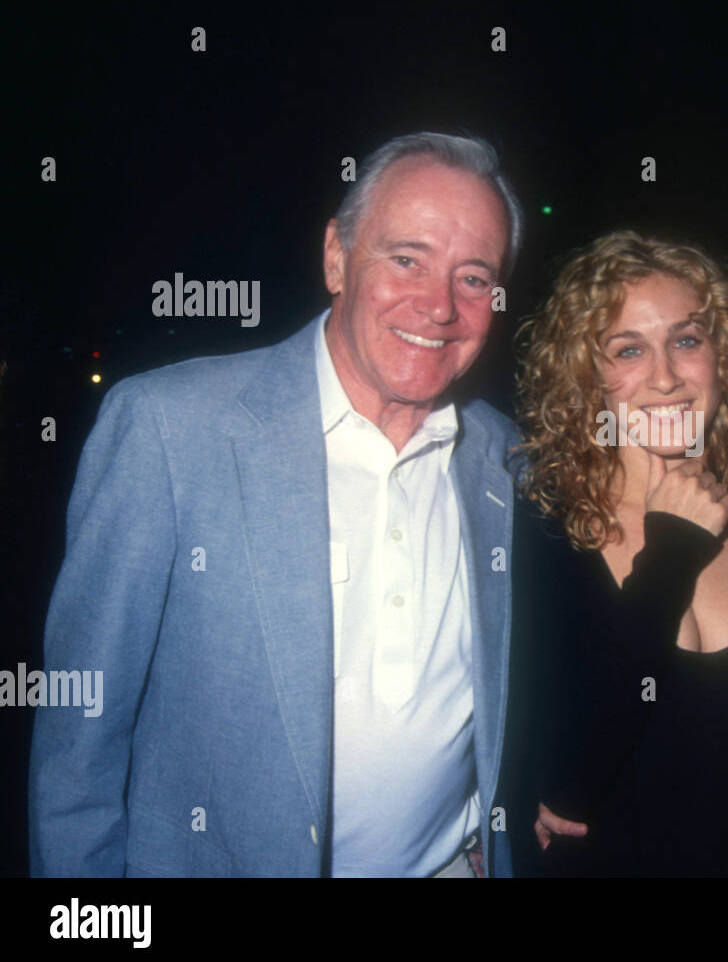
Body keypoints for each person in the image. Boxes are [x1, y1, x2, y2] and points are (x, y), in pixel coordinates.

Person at [29, 132, 523, 877]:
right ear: (336, 256)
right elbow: (78, 742)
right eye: (406, 259)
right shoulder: (170, 429)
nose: (439, 306)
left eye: (474, 277)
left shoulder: (505, 459)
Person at [503, 230, 728, 876]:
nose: (667, 376)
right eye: (628, 349)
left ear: (723, 355)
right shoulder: (540, 536)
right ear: (587, 375)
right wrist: (672, 553)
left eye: (686, 340)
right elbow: (566, 782)